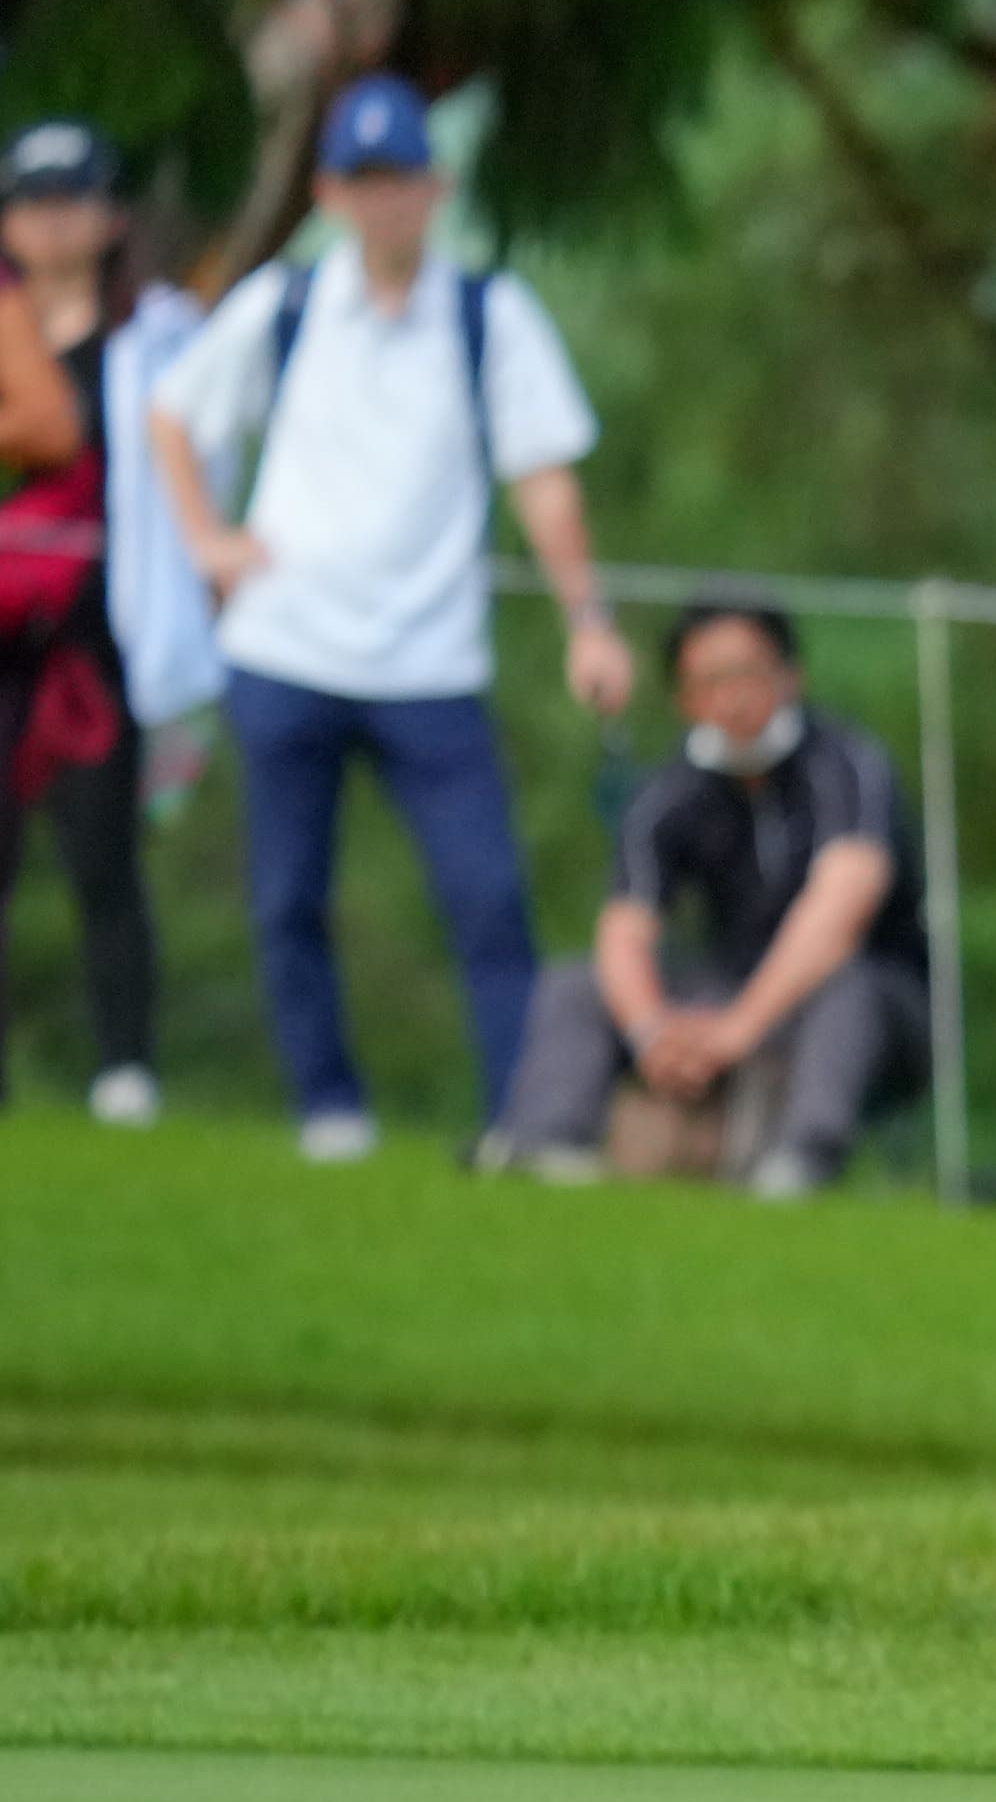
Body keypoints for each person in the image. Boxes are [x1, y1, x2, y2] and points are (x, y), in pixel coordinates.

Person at [143, 75, 631, 1160]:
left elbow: (544, 479)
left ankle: (526, 1119)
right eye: (362, 183)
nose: (384, 203)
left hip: (430, 662)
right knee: (286, 901)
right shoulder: (285, 305)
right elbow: (172, 412)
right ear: (331, 193)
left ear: (434, 186)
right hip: (285, 647)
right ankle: (330, 1108)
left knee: (487, 899)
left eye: (401, 181)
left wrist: (587, 621)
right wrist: (206, 540)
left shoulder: (487, 316)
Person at [496, 597, 925, 1194]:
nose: (734, 697)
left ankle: (802, 1162)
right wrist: (652, 1030)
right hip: (723, 988)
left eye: (749, 672)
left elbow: (837, 918)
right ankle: (549, 1146)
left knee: (848, 987)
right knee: (576, 985)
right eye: (711, 680)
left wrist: (738, 1028)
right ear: (686, 700)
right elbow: (625, 928)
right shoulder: (668, 793)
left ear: (790, 676)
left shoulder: (849, 766)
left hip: (868, 1004)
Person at [2, 118, 213, 1124]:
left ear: (110, 215)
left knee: (104, 860)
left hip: (103, 643)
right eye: (32, 202)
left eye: (70, 199)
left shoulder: (160, 330)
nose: (51, 222)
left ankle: (126, 1068)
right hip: (4, 640)